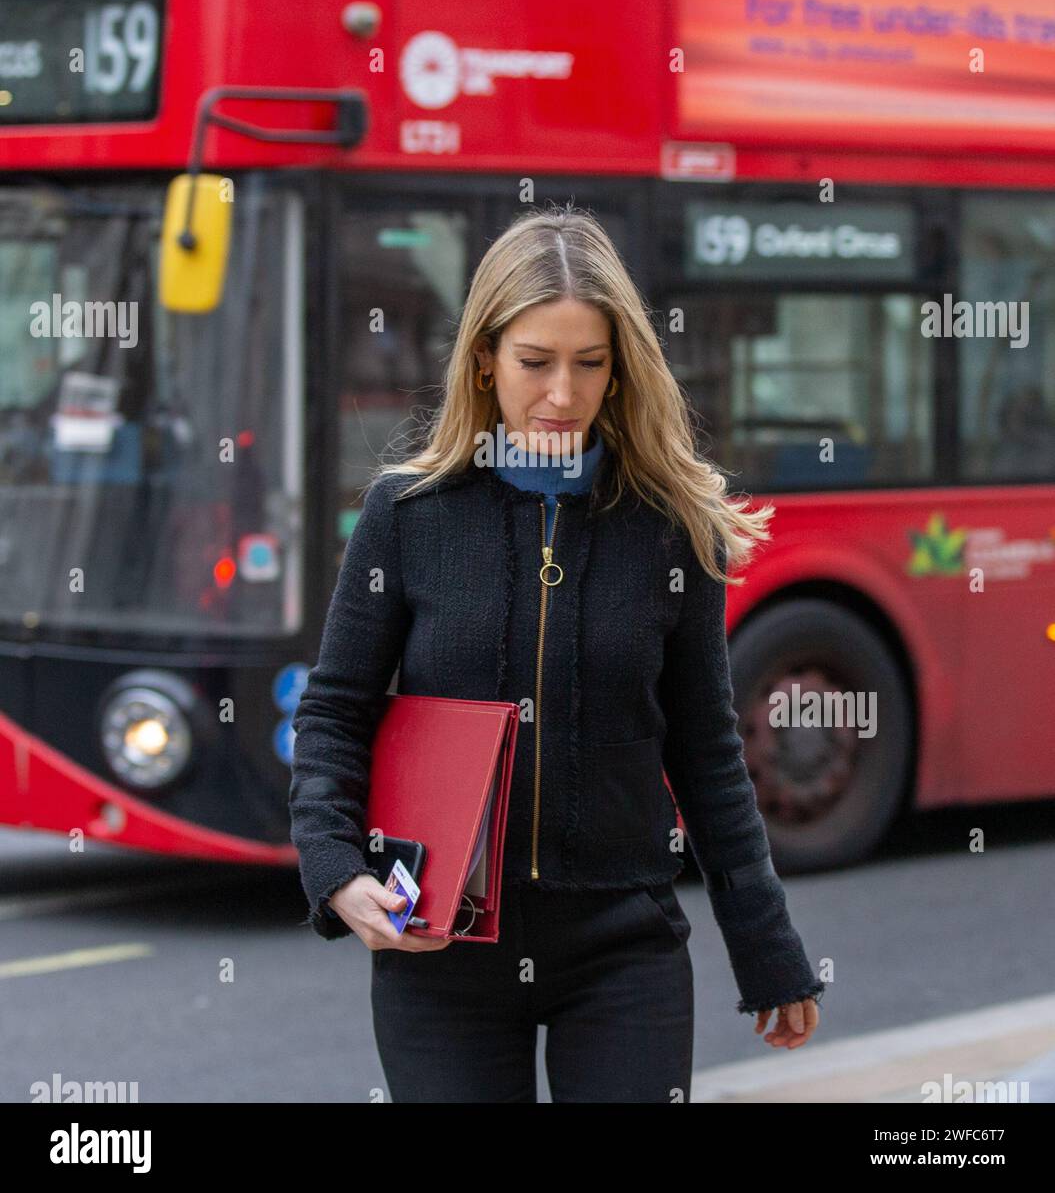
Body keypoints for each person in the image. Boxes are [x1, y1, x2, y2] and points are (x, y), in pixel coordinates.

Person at [289, 205, 824, 1103]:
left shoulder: (669, 528)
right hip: (442, 950)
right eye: (536, 363)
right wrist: (338, 872)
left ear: (620, 372)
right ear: (484, 358)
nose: (562, 396)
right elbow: (335, 710)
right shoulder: (407, 515)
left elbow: (705, 751)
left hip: (623, 946)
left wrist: (767, 949)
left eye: (590, 365)